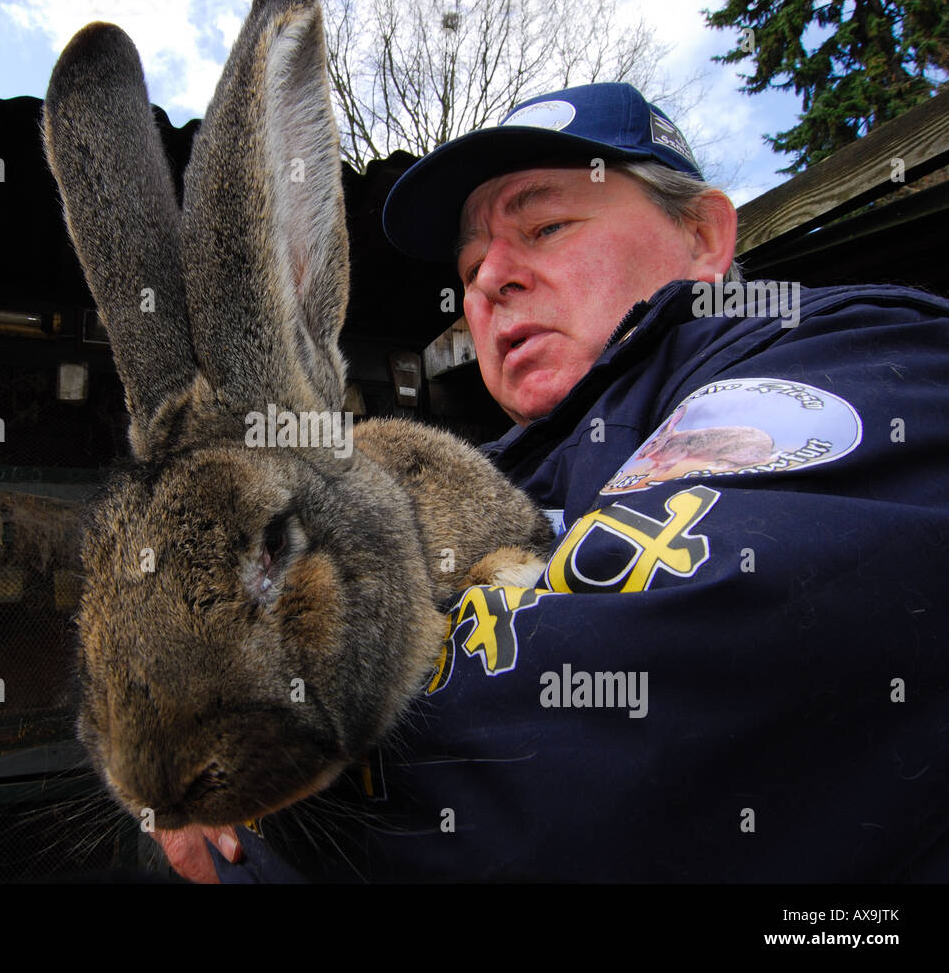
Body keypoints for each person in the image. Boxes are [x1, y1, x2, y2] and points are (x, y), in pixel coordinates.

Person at [156, 82, 949, 882]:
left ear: (704, 235)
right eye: (468, 266)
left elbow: (583, 775)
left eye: (546, 225)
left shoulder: (858, 362)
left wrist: (253, 791)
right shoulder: (464, 470)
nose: (488, 280)